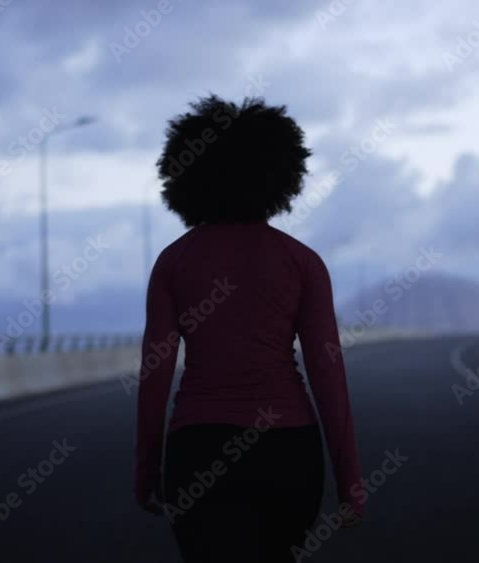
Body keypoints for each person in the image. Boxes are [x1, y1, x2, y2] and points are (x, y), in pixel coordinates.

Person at [133, 95, 363, 562]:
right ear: (280, 175)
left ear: (186, 175)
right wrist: (350, 480)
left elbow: (155, 374)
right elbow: (327, 373)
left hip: (197, 447)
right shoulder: (302, 262)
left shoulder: (173, 262)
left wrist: (146, 470)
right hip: (288, 451)